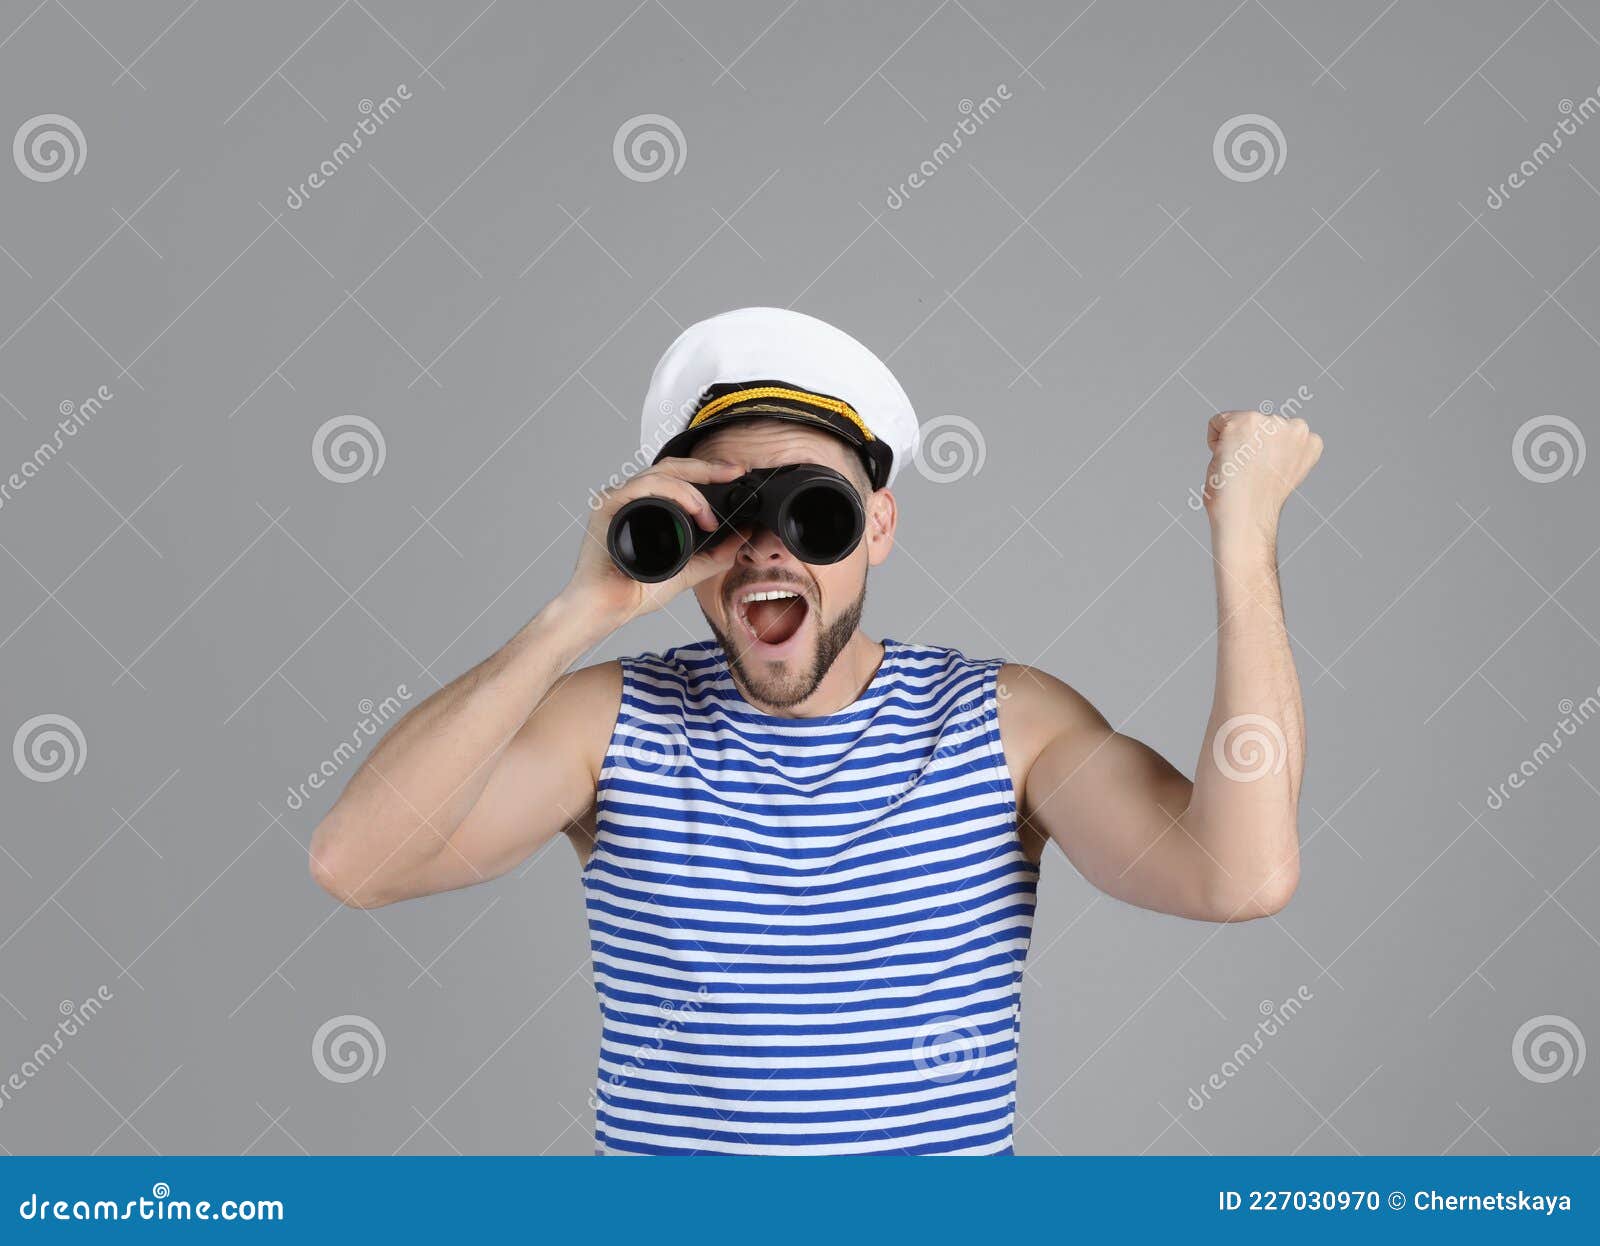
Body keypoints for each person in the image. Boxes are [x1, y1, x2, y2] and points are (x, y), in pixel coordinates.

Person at [309, 306, 1323, 1155]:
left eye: (810, 510)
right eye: (724, 512)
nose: (763, 551)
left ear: (876, 525)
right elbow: (358, 861)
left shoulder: (1002, 725)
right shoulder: (611, 721)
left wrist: (1244, 537)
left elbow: (1235, 874)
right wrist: (580, 612)